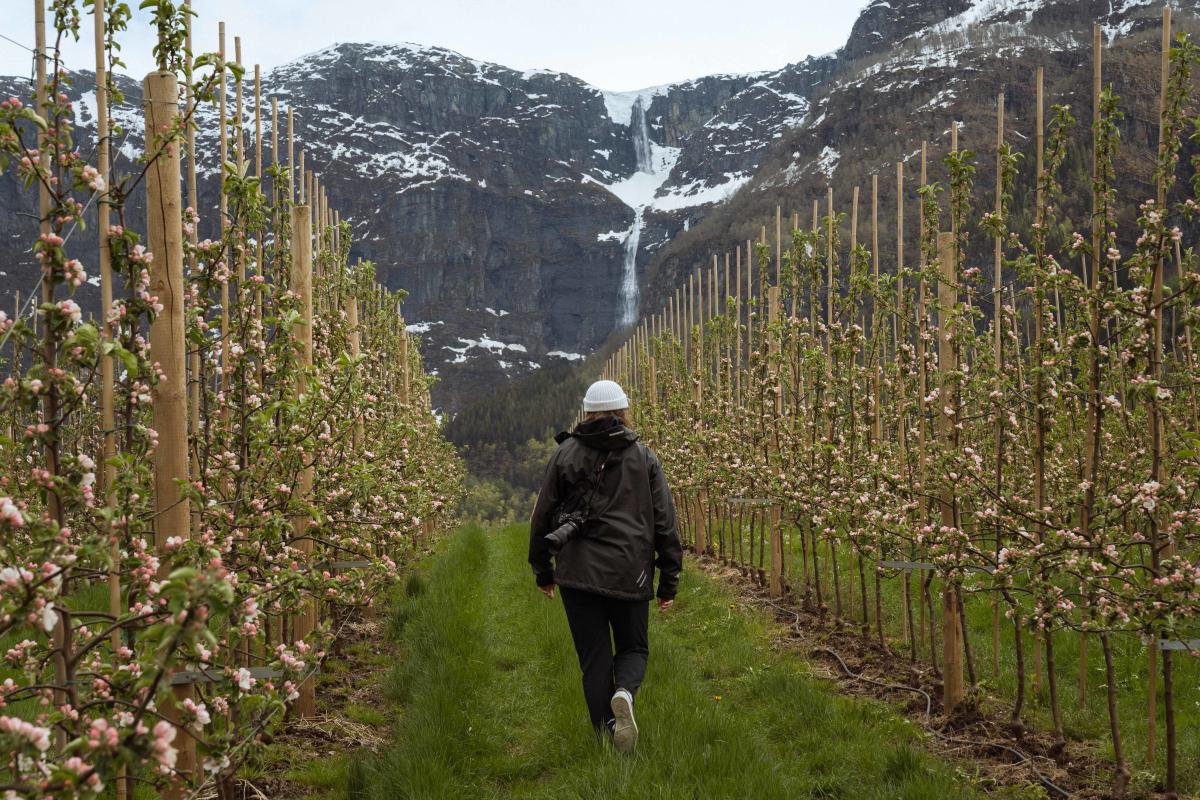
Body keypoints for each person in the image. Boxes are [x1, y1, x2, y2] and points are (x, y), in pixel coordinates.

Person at [529, 379, 682, 754]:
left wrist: (543, 570)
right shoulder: (643, 457)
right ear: (623, 411)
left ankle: (608, 733)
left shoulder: (565, 453)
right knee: (634, 648)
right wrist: (669, 580)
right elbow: (665, 522)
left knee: (594, 658)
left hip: (578, 572)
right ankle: (624, 693)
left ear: (587, 412)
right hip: (631, 571)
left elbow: (542, 514)